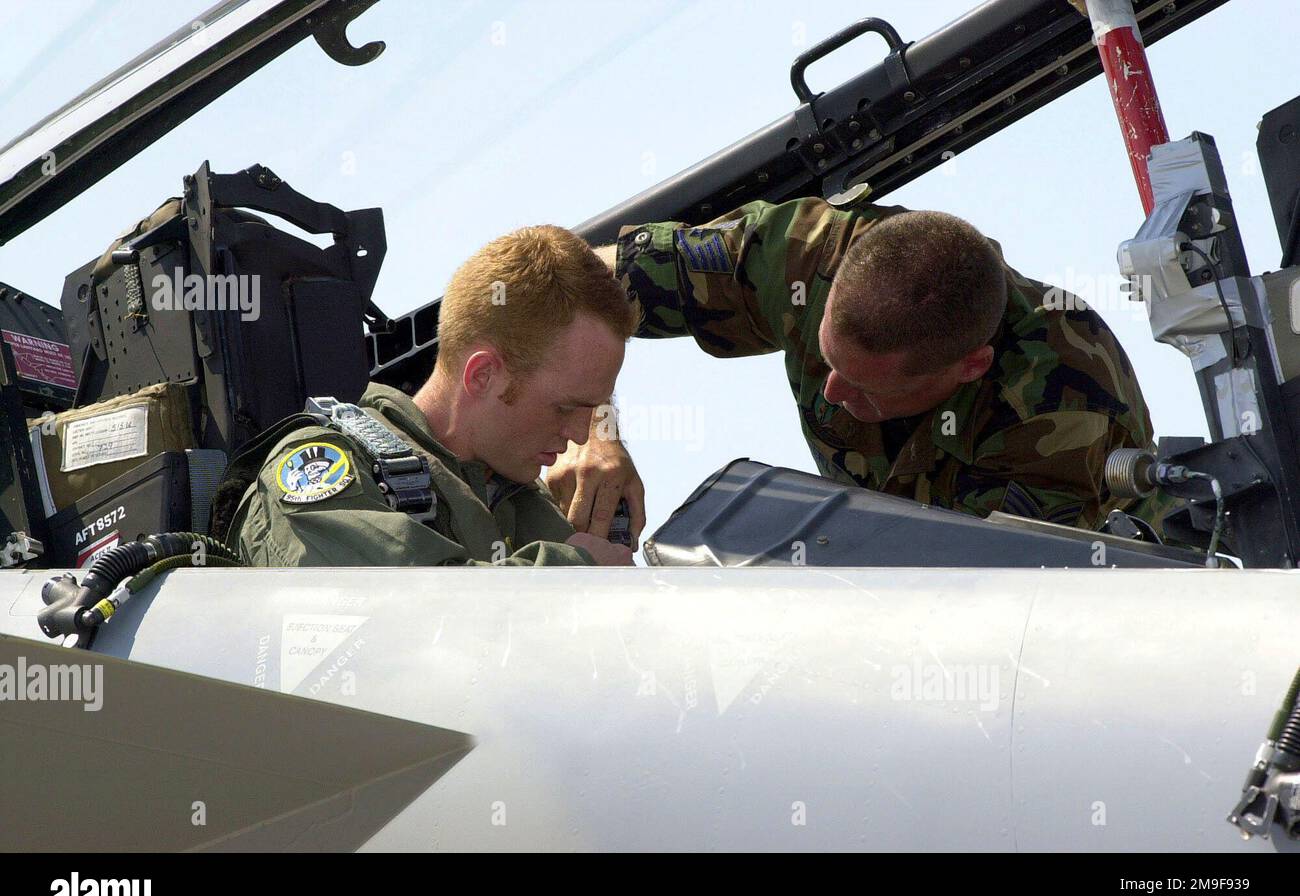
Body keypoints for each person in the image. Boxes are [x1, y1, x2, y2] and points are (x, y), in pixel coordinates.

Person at [547, 196, 1173, 541]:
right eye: (825, 356)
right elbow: (574, 284)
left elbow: (994, 598)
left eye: (866, 387)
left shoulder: (1059, 402)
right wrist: (593, 426)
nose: (832, 389)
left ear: (969, 366)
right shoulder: (803, 257)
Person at [219, 224, 637, 566]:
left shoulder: (530, 508)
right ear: (483, 375)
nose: (582, 437)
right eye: (565, 407)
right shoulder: (322, 468)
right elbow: (402, 627)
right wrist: (576, 574)